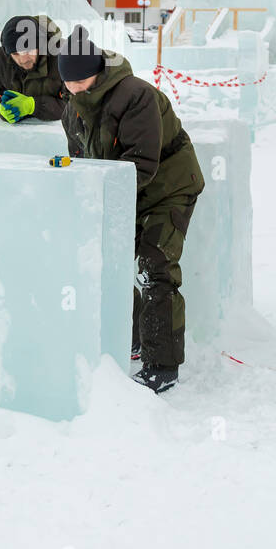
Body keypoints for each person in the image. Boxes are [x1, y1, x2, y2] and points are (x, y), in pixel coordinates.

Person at [57, 26, 205, 394]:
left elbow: (141, 164)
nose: (75, 89)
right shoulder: (71, 110)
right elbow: (85, 161)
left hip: (168, 187)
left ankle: (163, 366)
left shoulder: (135, 95)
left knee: (155, 267)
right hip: (125, 191)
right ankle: (135, 339)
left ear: (98, 70)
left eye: (81, 80)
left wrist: (104, 196)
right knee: (115, 263)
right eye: (68, 83)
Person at [0, 15, 66, 124]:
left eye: (29, 50)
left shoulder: (65, 56)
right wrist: (5, 111)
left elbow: (77, 106)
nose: (23, 59)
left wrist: (34, 105)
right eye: (15, 53)